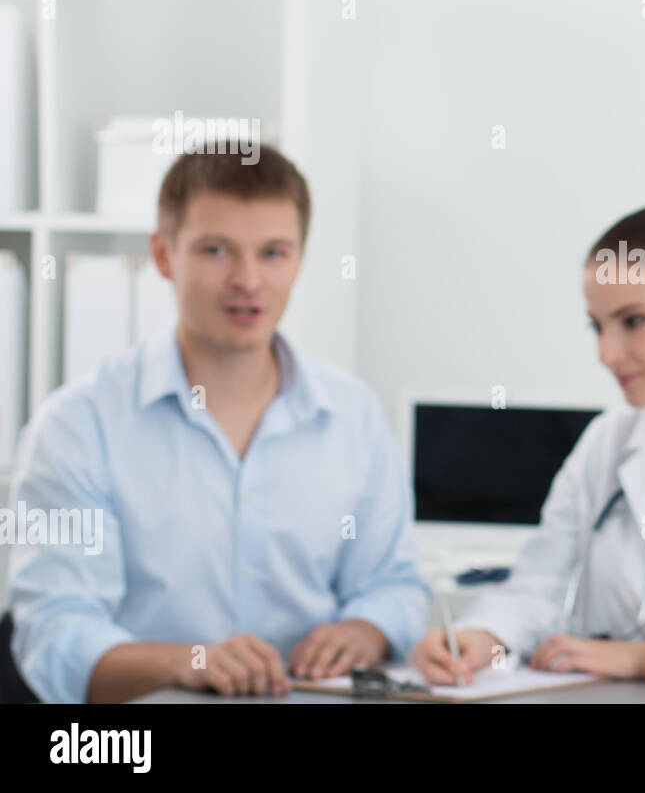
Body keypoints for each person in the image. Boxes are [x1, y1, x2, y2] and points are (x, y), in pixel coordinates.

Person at [7, 144, 430, 703]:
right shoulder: (79, 427)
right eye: (216, 250)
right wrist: (186, 662)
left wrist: (365, 630)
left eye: (273, 253)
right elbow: (57, 636)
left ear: (299, 260)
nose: (248, 280)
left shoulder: (354, 417)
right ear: (163, 255)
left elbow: (395, 584)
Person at [409, 206, 645, 686]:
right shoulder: (608, 441)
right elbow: (541, 583)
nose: (607, 353)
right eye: (598, 327)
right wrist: (483, 637)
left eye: (634, 321)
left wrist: (640, 659)